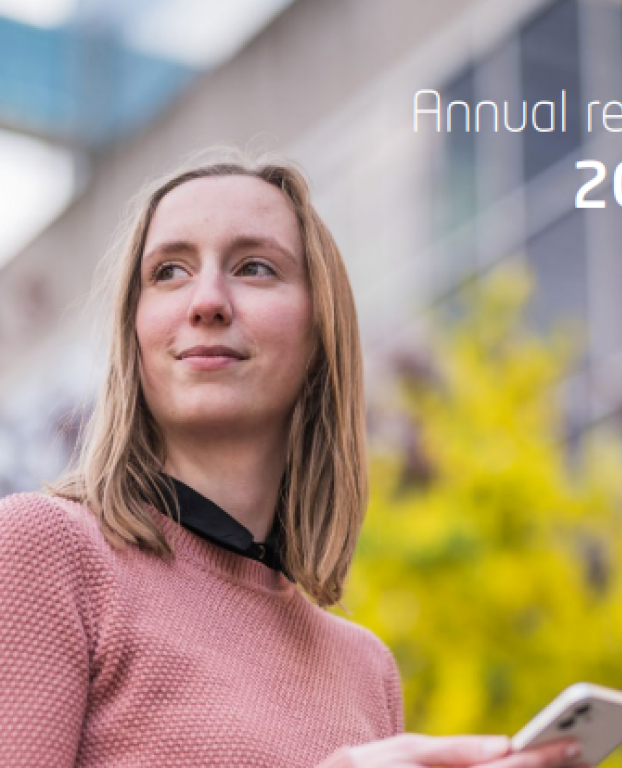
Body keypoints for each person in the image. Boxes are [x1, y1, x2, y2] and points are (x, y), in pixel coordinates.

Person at [0, 152, 589, 768]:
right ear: (135, 330)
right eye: (169, 271)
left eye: (254, 268)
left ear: (319, 329)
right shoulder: (45, 550)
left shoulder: (365, 668)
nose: (207, 301)